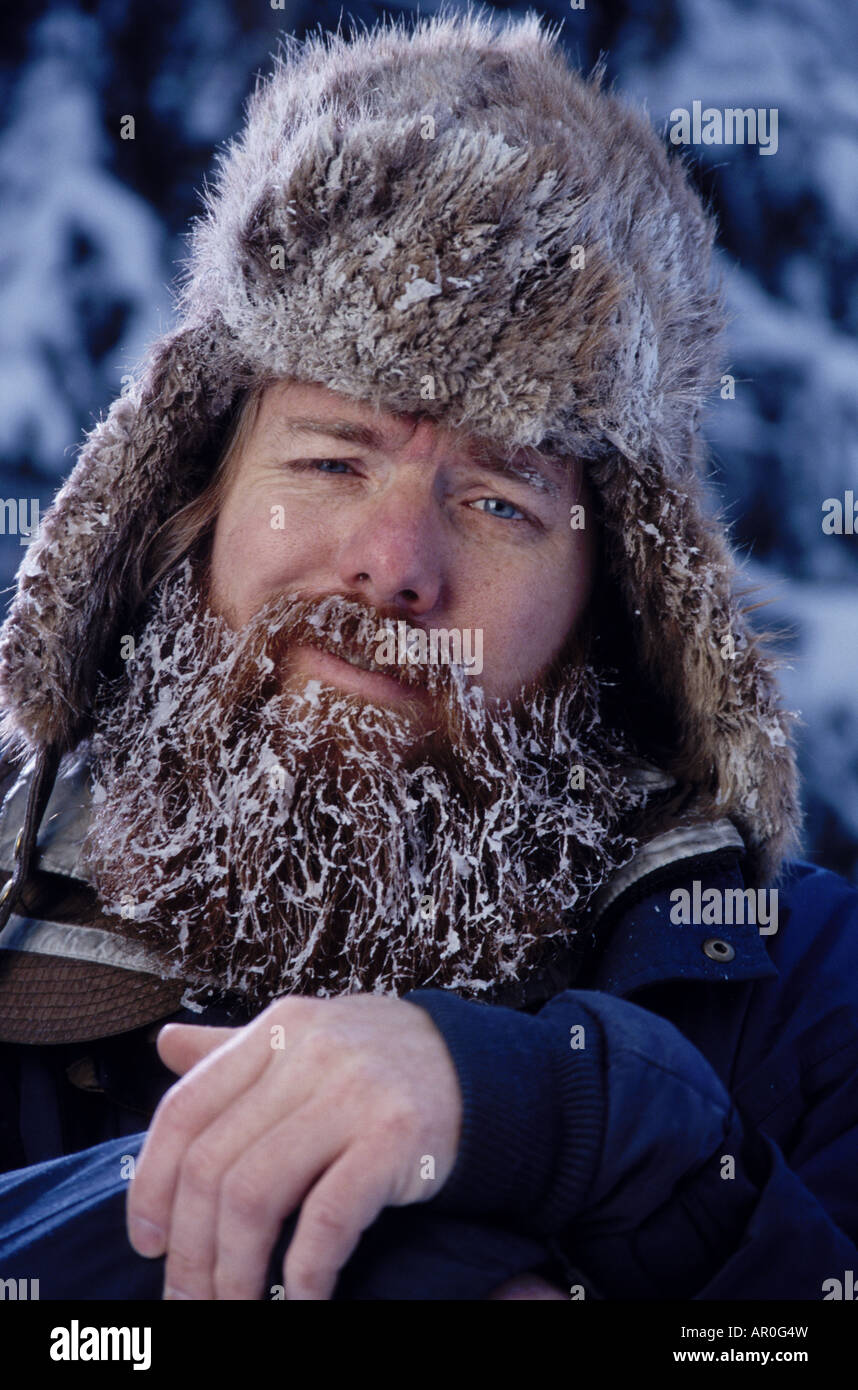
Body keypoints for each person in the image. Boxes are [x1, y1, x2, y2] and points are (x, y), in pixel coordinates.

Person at [0, 7, 856, 1302]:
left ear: (619, 595)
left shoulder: (804, 1001)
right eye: (331, 459)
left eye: (498, 500)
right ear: (195, 495)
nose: (393, 561)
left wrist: (571, 1115)